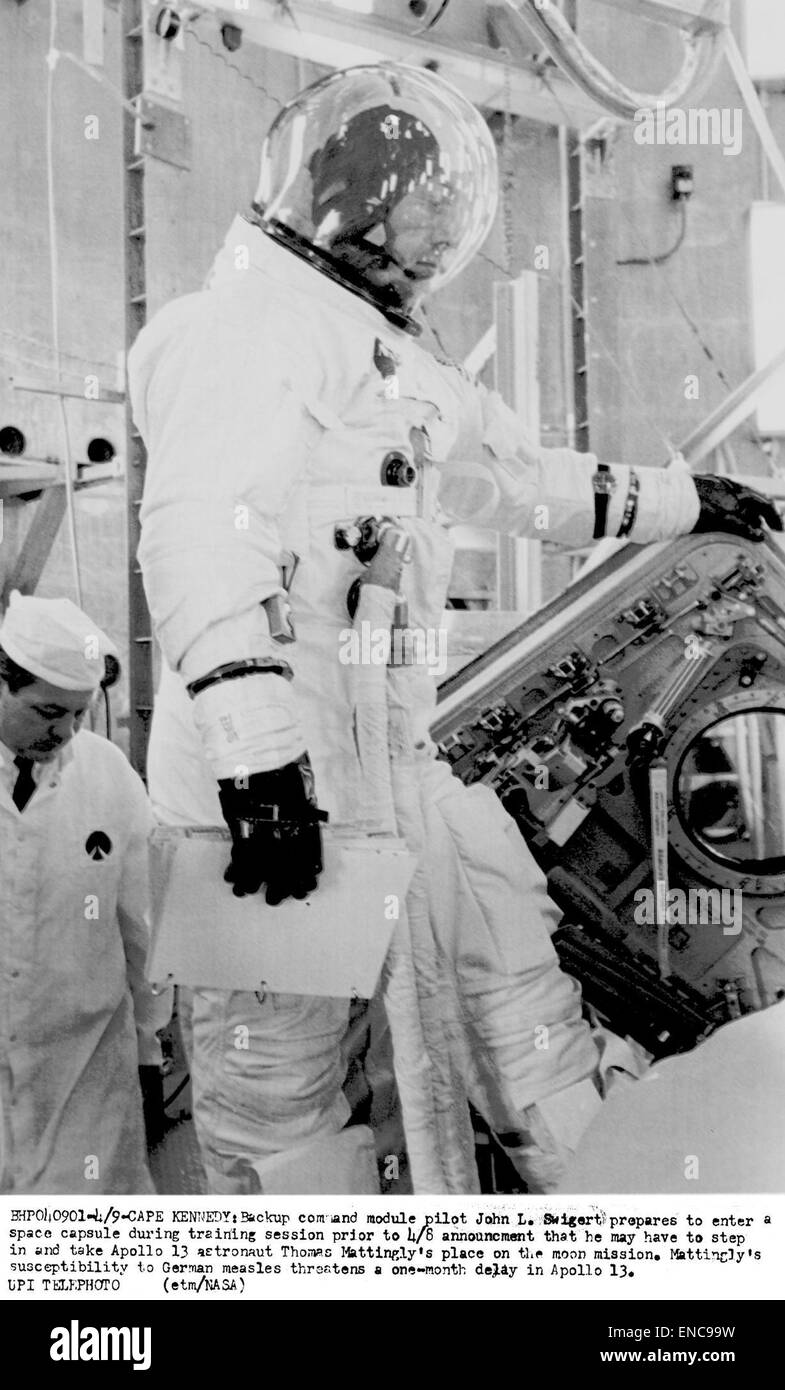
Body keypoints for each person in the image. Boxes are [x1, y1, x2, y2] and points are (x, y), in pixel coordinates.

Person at [128, 62, 781, 1195]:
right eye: (427, 205)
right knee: (280, 1097)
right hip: (263, 792)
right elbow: (196, 537)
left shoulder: (398, 362)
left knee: (513, 993)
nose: (442, 235)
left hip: (393, 762)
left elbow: (520, 481)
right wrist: (256, 764)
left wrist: (688, 501)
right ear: (363, 197)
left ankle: (613, 1240)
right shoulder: (242, 330)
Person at [0, 592, 170, 1194]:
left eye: (78, 714)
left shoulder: (107, 775)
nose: (66, 733)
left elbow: (142, 924)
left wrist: (150, 1050)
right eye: (48, 712)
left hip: (84, 1069)